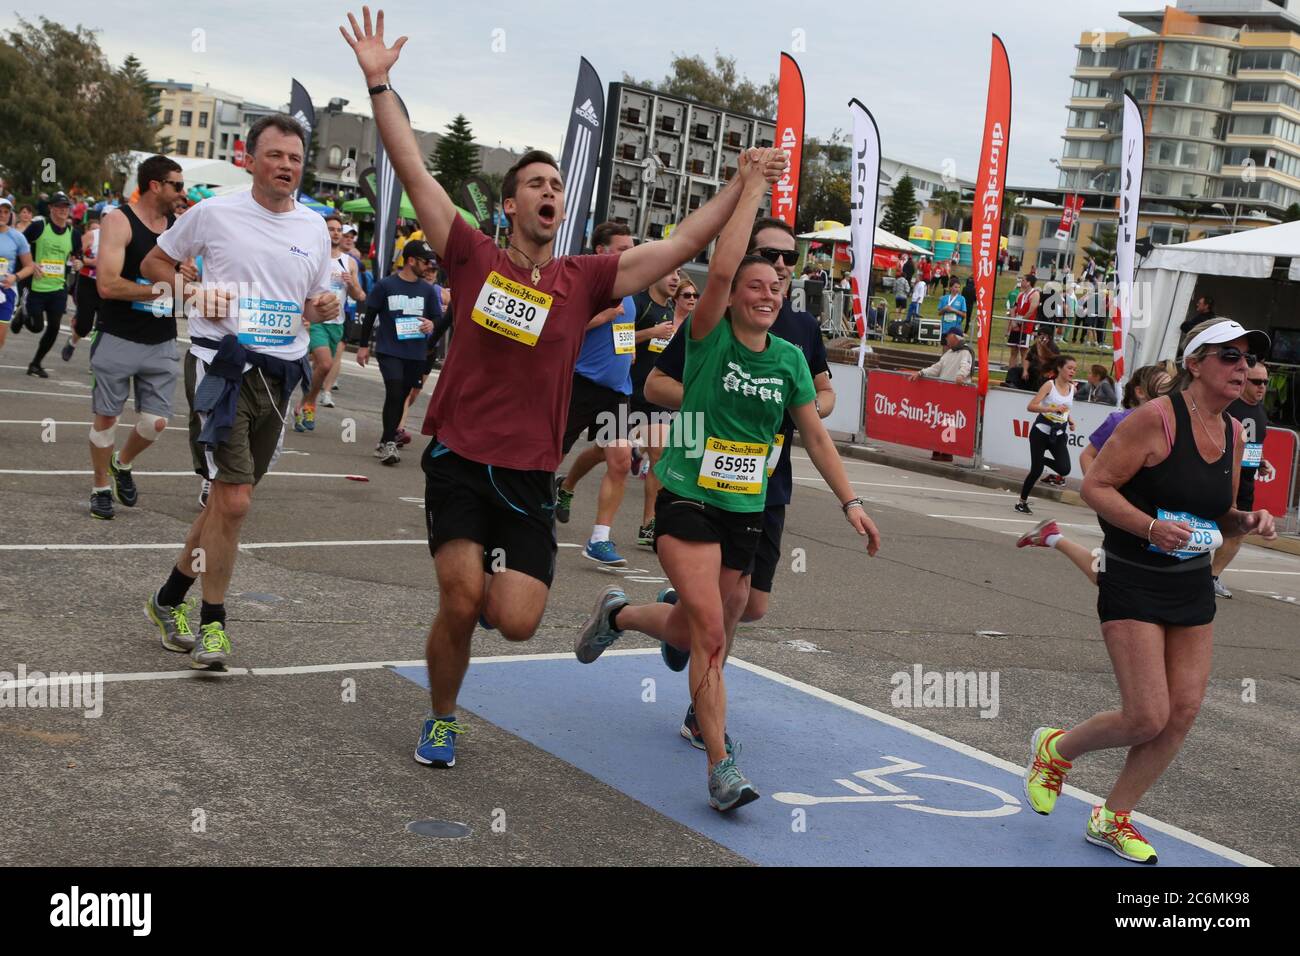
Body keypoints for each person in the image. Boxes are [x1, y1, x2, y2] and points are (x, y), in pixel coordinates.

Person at [339, 4, 792, 770]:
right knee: (457, 598)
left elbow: (684, 242)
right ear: (511, 202)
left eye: (557, 183)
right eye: (535, 184)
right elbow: (413, 167)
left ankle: (493, 588)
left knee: (514, 620)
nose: (550, 192)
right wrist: (381, 84)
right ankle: (443, 715)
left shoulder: (584, 279)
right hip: (458, 457)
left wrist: (740, 184)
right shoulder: (470, 253)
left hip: (528, 474)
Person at [572, 159, 879, 812]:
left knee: (695, 625)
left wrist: (852, 501)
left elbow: (816, 437)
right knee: (710, 631)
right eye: (756, 282)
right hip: (688, 498)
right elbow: (716, 270)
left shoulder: (792, 358)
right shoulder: (708, 334)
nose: (769, 292)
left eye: (778, 284)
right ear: (735, 293)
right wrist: (753, 190)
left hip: (748, 509)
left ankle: (620, 614)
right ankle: (720, 766)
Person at [1024, 318, 1276, 864]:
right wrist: (1149, 528)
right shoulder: (1153, 420)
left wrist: (1247, 520)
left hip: (1190, 584)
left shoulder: (1235, 431)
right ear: (1195, 364)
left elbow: (1218, 516)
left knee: (1182, 711)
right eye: (1229, 356)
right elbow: (1094, 486)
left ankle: (1113, 818)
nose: (1244, 368)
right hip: (1134, 578)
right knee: (1146, 715)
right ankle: (1054, 751)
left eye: (1248, 359)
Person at [140, 114, 340, 670]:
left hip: (282, 374)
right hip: (221, 369)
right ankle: (214, 627)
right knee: (234, 499)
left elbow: (316, 301)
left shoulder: (313, 227)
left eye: (295, 158)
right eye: (275, 155)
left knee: (226, 506)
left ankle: (167, 597)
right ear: (250, 159)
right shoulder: (216, 211)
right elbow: (154, 262)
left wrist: (327, 307)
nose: (286, 166)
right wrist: (192, 290)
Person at [643, 216, 836, 679]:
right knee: (725, 607)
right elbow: (655, 385)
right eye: (770, 256)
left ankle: (679, 617)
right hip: (704, 478)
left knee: (752, 606)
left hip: (767, 480)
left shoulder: (803, 328)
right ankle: (702, 709)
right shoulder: (719, 319)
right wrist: (719, 397)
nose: (782, 266)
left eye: (790, 258)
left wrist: (799, 404)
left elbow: (824, 395)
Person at [88, 156, 191, 521]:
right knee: (106, 420)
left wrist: (188, 278)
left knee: (155, 423)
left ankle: (122, 462)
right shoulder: (119, 220)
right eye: (177, 185)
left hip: (161, 339)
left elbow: (187, 281)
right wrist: (165, 288)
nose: (184, 191)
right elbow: (107, 284)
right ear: (155, 185)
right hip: (118, 335)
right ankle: (100, 488)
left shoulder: (179, 226)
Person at [1018, 363, 1174, 583]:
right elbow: (1087, 456)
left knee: (1110, 574)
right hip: (1123, 510)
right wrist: (1101, 495)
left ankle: (1053, 537)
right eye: (1164, 387)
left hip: (1154, 512)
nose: (1171, 392)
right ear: (1140, 392)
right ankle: (1053, 537)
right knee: (1119, 577)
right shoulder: (1119, 421)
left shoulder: (1174, 424)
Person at [553, 222, 641, 565]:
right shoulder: (586, 285)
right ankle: (540, 498)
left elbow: (624, 327)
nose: (630, 255)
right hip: (579, 384)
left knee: (619, 460)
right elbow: (560, 328)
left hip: (617, 391)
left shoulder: (631, 287)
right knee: (549, 453)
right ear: (601, 252)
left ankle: (600, 539)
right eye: (623, 249)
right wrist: (603, 314)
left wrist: (628, 345)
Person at [356, 238, 445, 463]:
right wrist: (363, 345)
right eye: (426, 262)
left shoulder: (427, 290)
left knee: (402, 396)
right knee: (394, 392)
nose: (429, 267)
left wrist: (432, 324)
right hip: (389, 349)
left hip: (415, 352)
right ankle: (389, 443)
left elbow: (437, 316)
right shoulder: (386, 285)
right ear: (411, 260)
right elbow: (371, 315)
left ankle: (385, 440)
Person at [295, 213, 364, 431]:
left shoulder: (349, 262)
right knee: (324, 364)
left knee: (320, 368)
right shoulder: (313, 257)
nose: (335, 233)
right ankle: (310, 403)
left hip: (337, 322)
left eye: (337, 229)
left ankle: (304, 402)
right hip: (316, 319)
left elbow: (359, 295)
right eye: (330, 229)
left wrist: (351, 283)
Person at [1211, 361, 1274, 598]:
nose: (1262, 387)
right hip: (1222, 477)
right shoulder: (1229, 406)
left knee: (1238, 531)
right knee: (1205, 525)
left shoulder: (1260, 410)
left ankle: (1212, 577)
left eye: (1265, 382)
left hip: (1246, 481)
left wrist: (1260, 462)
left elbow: (1252, 446)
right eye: (1257, 381)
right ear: (1245, 380)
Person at [23, 192, 82, 377]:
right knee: (36, 327)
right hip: (36, 286)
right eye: (59, 207)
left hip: (58, 288)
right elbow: (21, 246)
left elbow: (77, 255)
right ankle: (22, 315)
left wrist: (78, 262)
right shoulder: (39, 227)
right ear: (51, 209)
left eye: (66, 207)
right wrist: (31, 264)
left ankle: (36, 363)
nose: (63, 210)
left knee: (54, 328)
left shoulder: (74, 233)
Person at [1014, 354, 1077, 513]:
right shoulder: (1049, 385)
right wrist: (1051, 409)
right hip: (1041, 431)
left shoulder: (1072, 388)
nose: (1072, 371)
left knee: (1064, 469)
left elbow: (1065, 407)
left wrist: (1069, 419)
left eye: (1074, 369)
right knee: (1036, 471)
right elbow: (1031, 406)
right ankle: (1022, 502)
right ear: (1059, 368)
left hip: (1059, 432)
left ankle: (1040, 460)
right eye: (1069, 368)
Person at [63, 213, 101, 362]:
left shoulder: (122, 238)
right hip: (88, 282)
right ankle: (72, 342)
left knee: (104, 326)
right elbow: (75, 254)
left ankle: (96, 360)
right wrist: (91, 261)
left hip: (108, 284)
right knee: (84, 326)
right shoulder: (92, 236)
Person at [0, 198, 35, 352]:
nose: (2, 215)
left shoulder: (17, 237)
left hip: (6, 290)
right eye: (0, 211)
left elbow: (29, 266)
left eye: (6, 212)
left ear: (10, 215)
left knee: (0, 338)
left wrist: (15, 277)